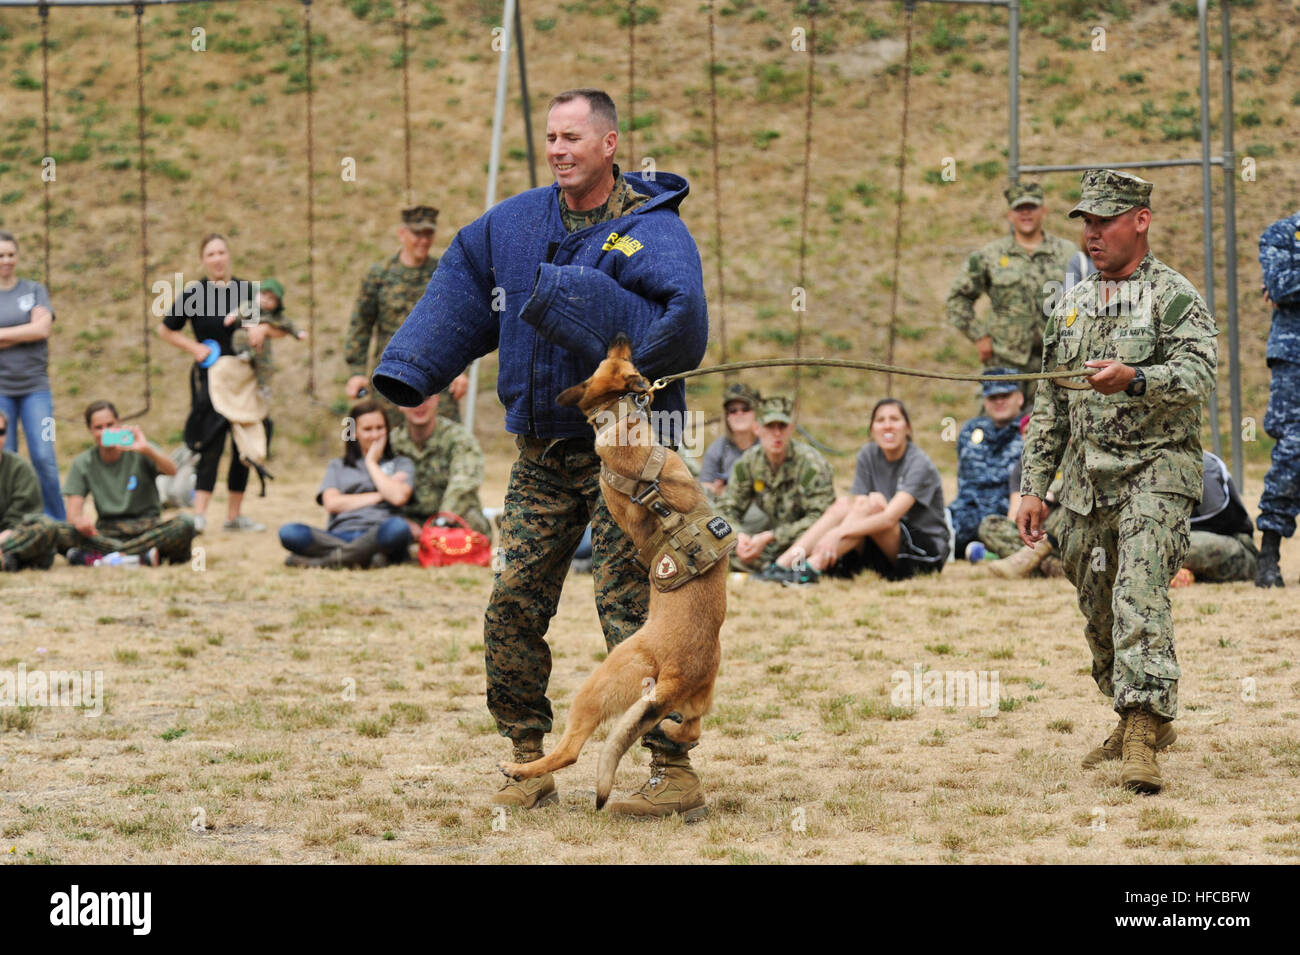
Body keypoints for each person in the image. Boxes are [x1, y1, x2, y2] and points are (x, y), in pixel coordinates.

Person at [372, 89, 709, 818]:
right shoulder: (518, 223)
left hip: (623, 456)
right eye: (551, 138)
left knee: (634, 615)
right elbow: (464, 274)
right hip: (539, 454)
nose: (557, 149)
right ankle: (529, 761)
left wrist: (610, 337)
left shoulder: (650, 230)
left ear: (610, 143)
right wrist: (414, 364)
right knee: (512, 605)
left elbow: (683, 322)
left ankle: (672, 770)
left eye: (572, 138)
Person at [1018, 169, 1217, 794]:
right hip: (1084, 485)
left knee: (1139, 592)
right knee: (1099, 607)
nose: (1093, 233)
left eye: (1105, 220)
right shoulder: (1070, 305)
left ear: (1141, 220)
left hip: (1156, 472)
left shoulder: (1174, 296)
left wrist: (1137, 377)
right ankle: (1132, 706)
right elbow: (1049, 405)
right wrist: (1032, 485)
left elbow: (1197, 376)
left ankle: (1141, 724)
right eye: (1086, 221)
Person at [157, 233, 265, 534]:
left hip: (243, 379)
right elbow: (165, 330)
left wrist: (259, 330)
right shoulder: (195, 293)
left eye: (221, 252)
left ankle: (234, 516)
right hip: (211, 378)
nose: (217, 258)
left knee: (244, 447)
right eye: (211, 254)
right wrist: (194, 348)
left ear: (229, 255)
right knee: (211, 445)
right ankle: (199, 514)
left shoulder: (247, 290)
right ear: (203, 260)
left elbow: (263, 324)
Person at [788, 397, 948, 582]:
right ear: (872, 430)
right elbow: (856, 507)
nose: (887, 426)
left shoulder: (919, 463)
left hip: (925, 552)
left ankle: (812, 566)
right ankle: (784, 564)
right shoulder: (868, 454)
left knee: (876, 508)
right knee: (846, 505)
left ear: (907, 428)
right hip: (881, 547)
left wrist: (837, 533)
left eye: (894, 419)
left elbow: (889, 519)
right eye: (880, 420)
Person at [946, 182, 1079, 398]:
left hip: (1055, 363)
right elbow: (957, 299)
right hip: (1005, 360)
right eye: (1019, 208)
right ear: (1010, 215)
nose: (1026, 213)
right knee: (998, 426)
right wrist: (979, 337)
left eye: (1032, 207)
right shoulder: (990, 256)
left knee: (1053, 425)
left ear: (1043, 211)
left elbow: (1086, 299)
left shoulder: (1067, 253)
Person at [344, 205, 468, 421]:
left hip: (437, 377)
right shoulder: (379, 275)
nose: (423, 241)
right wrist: (356, 372)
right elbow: (361, 325)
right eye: (417, 234)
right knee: (391, 443)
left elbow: (463, 323)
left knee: (440, 441)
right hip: (391, 377)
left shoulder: (445, 272)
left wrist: (462, 370)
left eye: (428, 234)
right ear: (402, 234)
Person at [56, 400, 196, 565]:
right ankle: (139, 557)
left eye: (110, 425)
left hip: (147, 529)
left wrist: (147, 450)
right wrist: (80, 522)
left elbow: (172, 471)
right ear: (90, 430)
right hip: (108, 531)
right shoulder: (83, 462)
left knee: (185, 524)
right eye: (98, 428)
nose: (105, 431)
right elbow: (73, 513)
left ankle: (102, 557)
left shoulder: (140, 449)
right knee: (58, 532)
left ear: (119, 423)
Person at [278, 399, 414, 568]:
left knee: (399, 528)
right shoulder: (338, 466)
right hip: (338, 536)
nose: (375, 435)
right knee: (290, 532)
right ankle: (364, 558)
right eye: (367, 429)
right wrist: (381, 495)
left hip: (379, 534)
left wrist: (371, 463)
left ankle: (323, 562)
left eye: (380, 428)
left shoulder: (401, 463)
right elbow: (332, 503)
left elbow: (399, 497)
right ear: (355, 432)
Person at [715, 395, 835, 580]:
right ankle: (773, 569)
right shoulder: (748, 463)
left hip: (803, 542)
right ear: (756, 428)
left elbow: (822, 518)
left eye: (782, 426)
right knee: (716, 550)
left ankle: (780, 569)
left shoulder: (811, 465)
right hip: (765, 546)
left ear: (792, 428)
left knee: (821, 548)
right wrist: (739, 536)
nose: (776, 434)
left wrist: (772, 536)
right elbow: (727, 509)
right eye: (770, 427)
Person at [0, 230, 64, 519]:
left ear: (18, 256)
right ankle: (12, 525)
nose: (6, 260)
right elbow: (33, 330)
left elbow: (42, 329)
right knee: (6, 458)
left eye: (11, 254)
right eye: (1, 255)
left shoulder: (35, 290)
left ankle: (57, 525)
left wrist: (4, 335)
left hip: (36, 389)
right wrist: (26, 331)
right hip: (1, 390)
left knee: (43, 456)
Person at [1254, 208, 1300, 587]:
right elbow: (1281, 285)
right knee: (1292, 452)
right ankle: (1268, 552)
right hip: (1294, 360)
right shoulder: (1282, 233)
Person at [389, 392, 489, 538]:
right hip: (411, 521)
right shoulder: (391, 443)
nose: (419, 405)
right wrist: (403, 521)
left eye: (426, 398)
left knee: (472, 524)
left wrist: (440, 523)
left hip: (451, 517)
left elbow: (464, 484)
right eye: (412, 399)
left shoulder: (457, 438)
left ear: (437, 399)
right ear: (399, 404)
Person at [947, 371, 1024, 559]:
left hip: (1006, 516)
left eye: (1005, 396)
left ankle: (985, 552)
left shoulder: (1031, 430)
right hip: (967, 516)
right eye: (992, 397)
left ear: (1020, 398)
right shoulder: (971, 430)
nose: (999, 402)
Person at [0, 409, 57, 571]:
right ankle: (12, 561)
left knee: (47, 526)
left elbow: (22, 519)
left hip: (12, 536)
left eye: (1, 432)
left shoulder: (20, 468)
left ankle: (11, 558)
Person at [698, 383, 761, 496]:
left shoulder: (769, 445)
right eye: (733, 410)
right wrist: (715, 491)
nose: (739, 413)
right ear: (727, 416)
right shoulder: (716, 449)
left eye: (745, 409)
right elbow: (703, 486)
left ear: (755, 413)